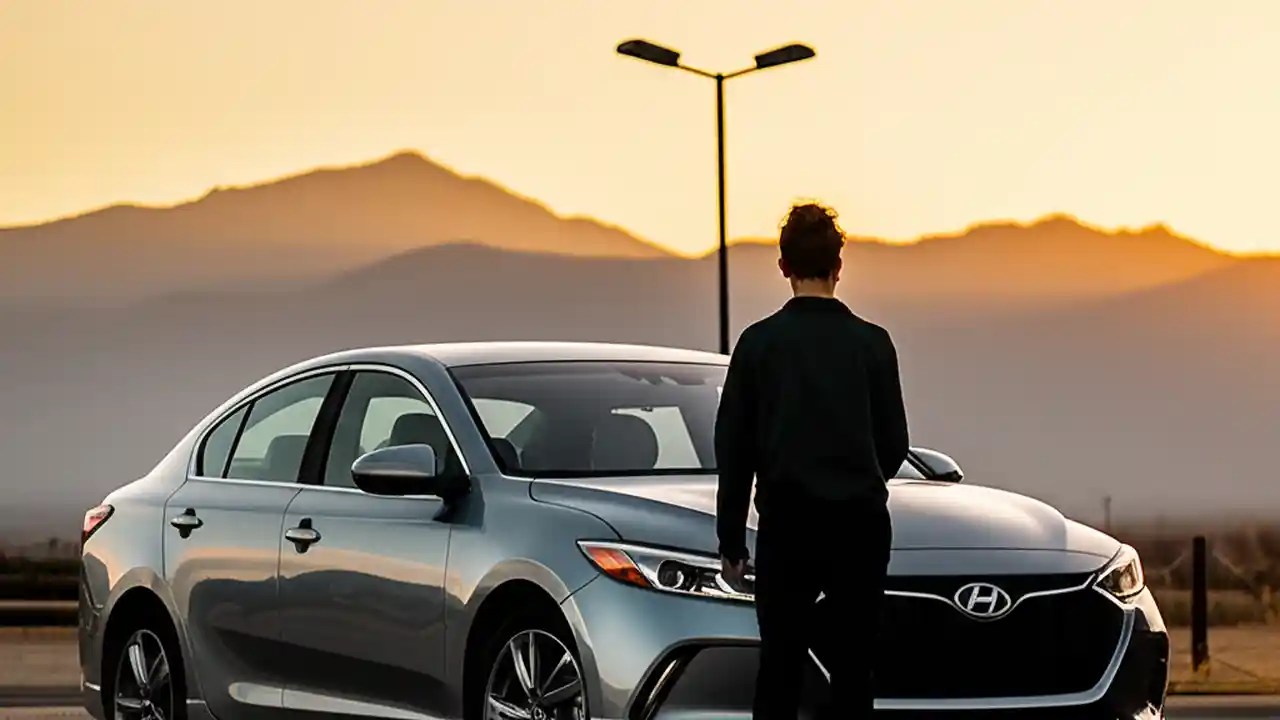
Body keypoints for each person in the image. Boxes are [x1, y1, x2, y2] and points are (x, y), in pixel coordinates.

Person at [715, 202, 909, 719]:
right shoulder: (874, 344)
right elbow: (894, 444)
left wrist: (731, 540)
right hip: (862, 529)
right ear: (838, 267)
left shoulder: (758, 346)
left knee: (780, 667)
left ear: (783, 267)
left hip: (788, 527)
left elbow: (734, 450)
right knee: (854, 668)